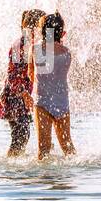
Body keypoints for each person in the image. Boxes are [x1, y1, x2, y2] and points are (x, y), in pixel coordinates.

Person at [29, 11, 75, 160]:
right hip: (62, 101)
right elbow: (60, 74)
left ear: (43, 31)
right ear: (61, 32)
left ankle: (45, 179)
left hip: (42, 101)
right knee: (68, 147)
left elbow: (31, 76)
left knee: (43, 150)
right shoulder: (66, 52)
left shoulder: (35, 50)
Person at [0, 9, 42, 157]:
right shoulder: (18, 46)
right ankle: (12, 168)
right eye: (41, 26)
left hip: (22, 96)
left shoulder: (35, 43)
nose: (44, 29)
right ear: (32, 27)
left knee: (22, 135)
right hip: (13, 96)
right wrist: (24, 94)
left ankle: (14, 165)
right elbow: (12, 76)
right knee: (21, 136)